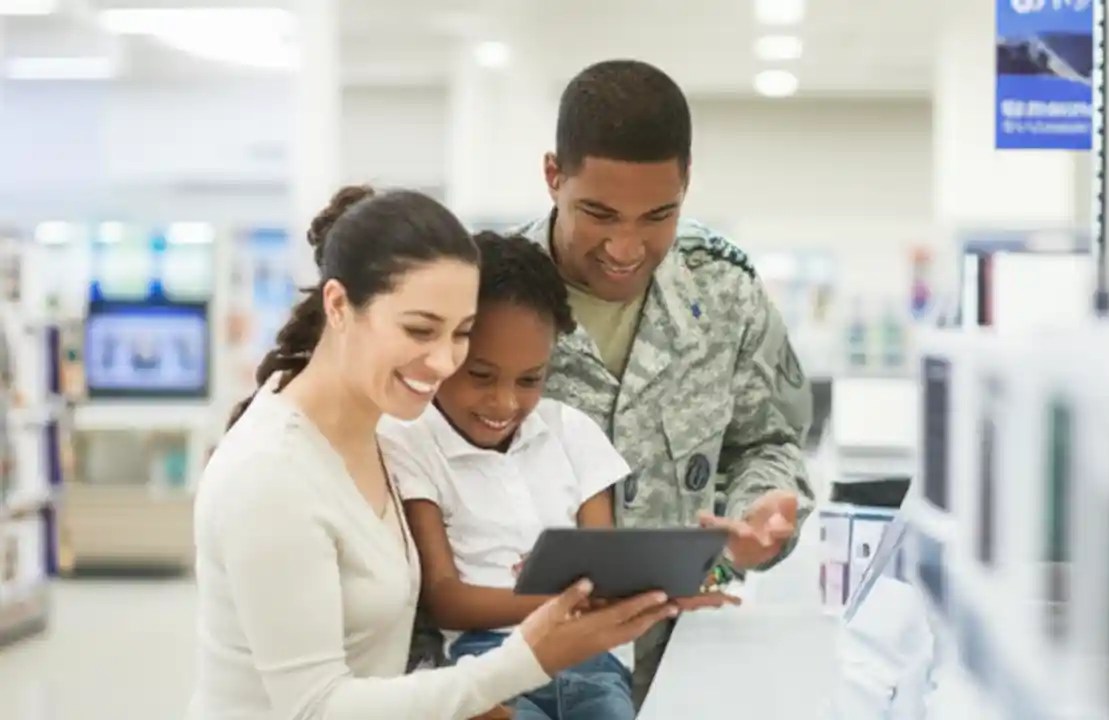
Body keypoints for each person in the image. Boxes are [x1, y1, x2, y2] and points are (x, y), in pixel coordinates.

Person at [189, 186, 678, 720]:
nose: (444, 361)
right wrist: (523, 661)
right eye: (419, 329)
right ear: (338, 306)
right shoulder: (272, 476)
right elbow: (316, 708)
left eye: (462, 334)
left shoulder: (379, 437)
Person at [511, 59, 818, 704]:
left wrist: (757, 514)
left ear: (685, 186)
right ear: (552, 177)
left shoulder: (726, 295)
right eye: (598, 213)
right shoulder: (488, 298)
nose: (626, 247)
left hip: (675, 673)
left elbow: (770, 443)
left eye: (658, 216)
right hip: (515, 671)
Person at [380, 232, 726, 720]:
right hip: (490, 663)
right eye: (481, 375)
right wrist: (562, 603)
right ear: (448, 348)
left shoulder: (572, 432)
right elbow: (447, 599)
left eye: (529, 380)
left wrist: (665, 584)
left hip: (594, 662)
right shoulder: (410, 441)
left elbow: (606, 563)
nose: (504, 403)